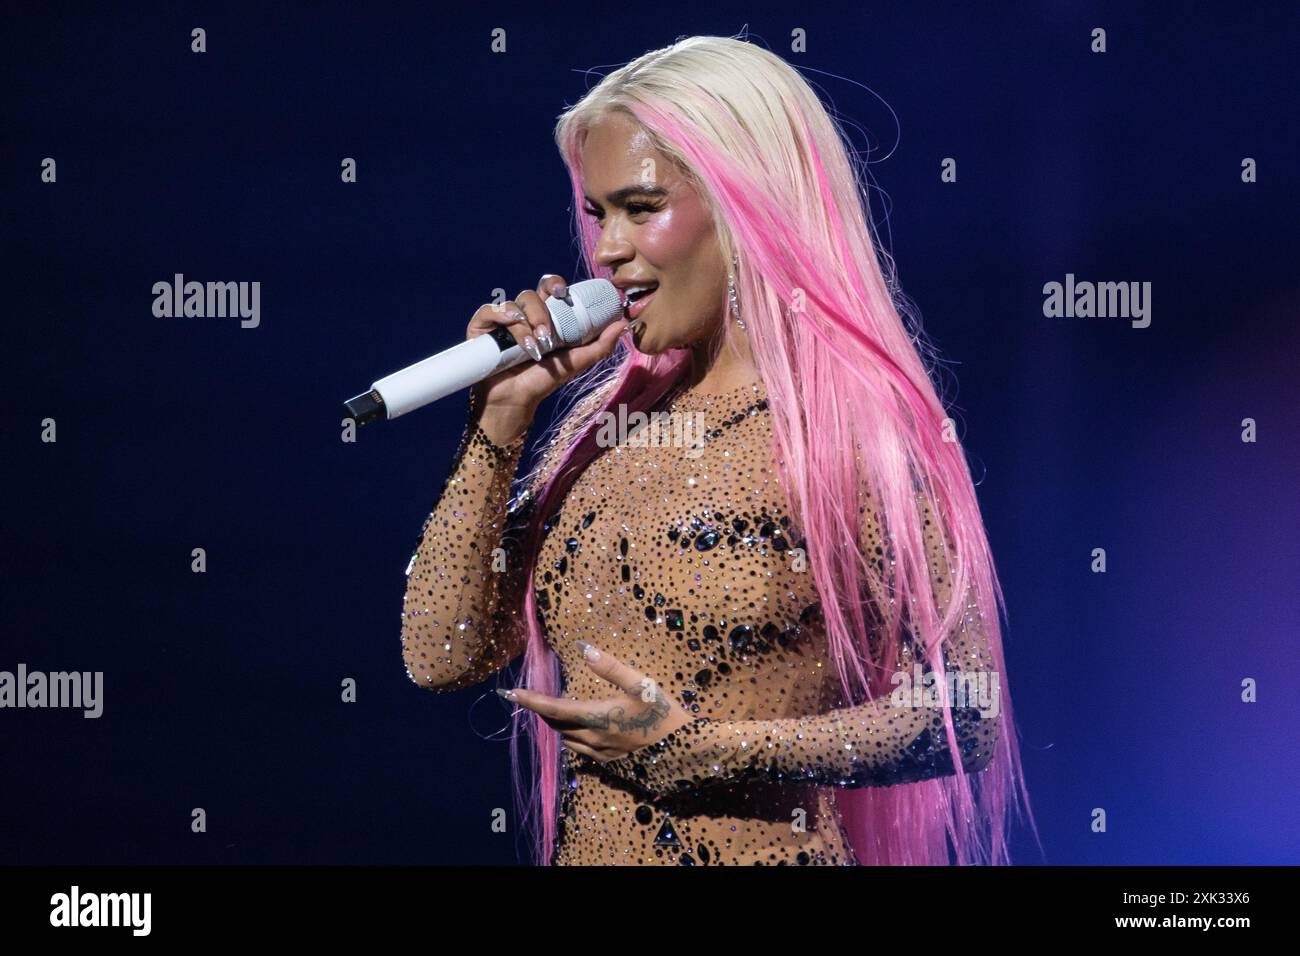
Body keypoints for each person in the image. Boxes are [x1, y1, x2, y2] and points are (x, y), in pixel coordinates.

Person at [400, 36, 1036, 865]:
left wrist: (707, 750)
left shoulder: (842, 433)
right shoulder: (599, 436)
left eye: (640, 207)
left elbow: (964, 710)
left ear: (746, 204)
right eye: (597, 214)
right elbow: (441, 653)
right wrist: (502, 419)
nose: (608, 250)